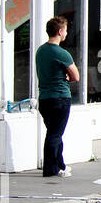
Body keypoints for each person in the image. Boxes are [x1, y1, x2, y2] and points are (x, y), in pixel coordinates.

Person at [36, 16, 79, 178]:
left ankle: (60, 164)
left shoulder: (41, 51)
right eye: (66, 30)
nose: (67, 33)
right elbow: (76, 76)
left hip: (45, 98)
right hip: (60, 98)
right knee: (55, 135)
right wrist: (66, 76)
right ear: (60, 32)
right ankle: (50, 168)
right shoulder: (62, 53)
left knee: (54, 133)